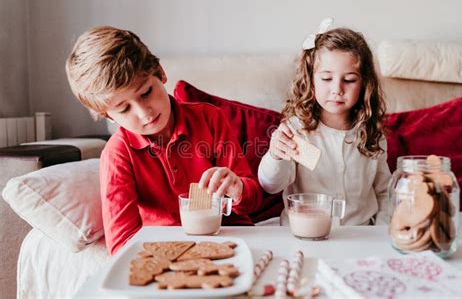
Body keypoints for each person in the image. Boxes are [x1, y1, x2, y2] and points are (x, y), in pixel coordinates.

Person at [65, 26, 262, 254]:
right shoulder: (118, 153)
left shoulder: (210, 118)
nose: (144, 112)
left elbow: (252, 200)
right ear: (107, 114)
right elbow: (121, 244)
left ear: (160, 72)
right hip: (167, 255)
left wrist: (238, 189)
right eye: (124, 108)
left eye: (146, 92)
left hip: (232, 243)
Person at [258, 18, 391, 225]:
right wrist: (275, 155)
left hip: (360, 236)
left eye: (349, 80)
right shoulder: (296, 130)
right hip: (305, 232)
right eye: (327, 79)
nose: (337, 89)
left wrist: (381, 231)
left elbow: (385, 192)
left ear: (364, 84)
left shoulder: (372, 134)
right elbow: (271, 185)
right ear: (311, 81)